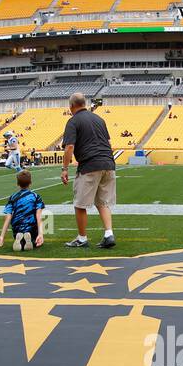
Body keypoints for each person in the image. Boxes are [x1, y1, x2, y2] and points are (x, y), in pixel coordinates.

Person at [61, 92, 116, 249]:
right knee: (103, 202)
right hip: (108, 163)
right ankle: (108, 234)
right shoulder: (99, 119)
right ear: (84, 103)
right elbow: (108, 142)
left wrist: (64, 169)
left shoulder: (73, 121)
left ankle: (82, 238)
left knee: (80, 204)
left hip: (90, 164)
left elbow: (69, 146)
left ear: (71, 106)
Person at [0, 169, 46, 251]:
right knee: (34, 238)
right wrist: (40, 234)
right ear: (30, 183)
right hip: (31, 228)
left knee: (18, 228)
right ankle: (30, 239)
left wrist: (2, 237)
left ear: (17, 184)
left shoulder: (12, 197)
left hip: (17, 228)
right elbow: (39, 217)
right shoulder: (35, 196)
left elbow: (8, 217)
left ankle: (21, 239)